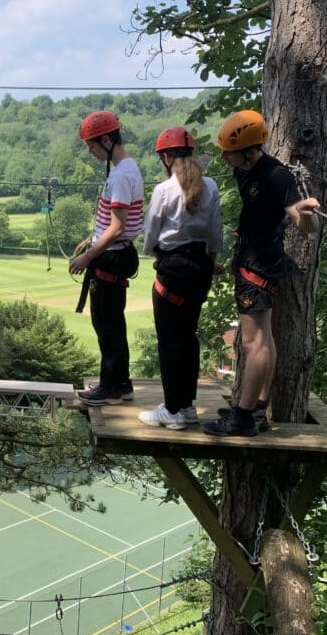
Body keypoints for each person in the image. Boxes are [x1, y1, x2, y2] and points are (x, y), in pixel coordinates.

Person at [204, 109, 320, 437]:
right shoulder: (244, 170)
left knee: (253, 343)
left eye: (230, 151)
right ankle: (256, 408)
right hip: (253, 258)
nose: (224, 157)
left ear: (251, 149)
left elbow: (305, 225)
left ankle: (242, 418)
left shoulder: (277, 176)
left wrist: (307, 212)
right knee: (265, 336)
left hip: (260, 264)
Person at [138, 126, 223, 430]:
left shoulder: (164, 190)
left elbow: (151, 231)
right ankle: (186, 405)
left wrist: (152, 253)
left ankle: (172, 410)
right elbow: (215, 232)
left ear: (166, 157)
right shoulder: (211, 186)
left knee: (170, 342)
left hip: (172, 267)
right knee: (188, 337)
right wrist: (211, 262)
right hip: (200, 266)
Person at [70, 110, 144, 406]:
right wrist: (91, 237)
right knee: (112, 321)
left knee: (107, 323)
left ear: (106, 139)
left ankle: (110, 387)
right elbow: (112, 224)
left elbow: (117, 228)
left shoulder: (123, 175)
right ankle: (121, 384)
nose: (91, 153)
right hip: (113, 252)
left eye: (92, 146)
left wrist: (87, 256)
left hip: (111, 257)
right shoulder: (126, 169)